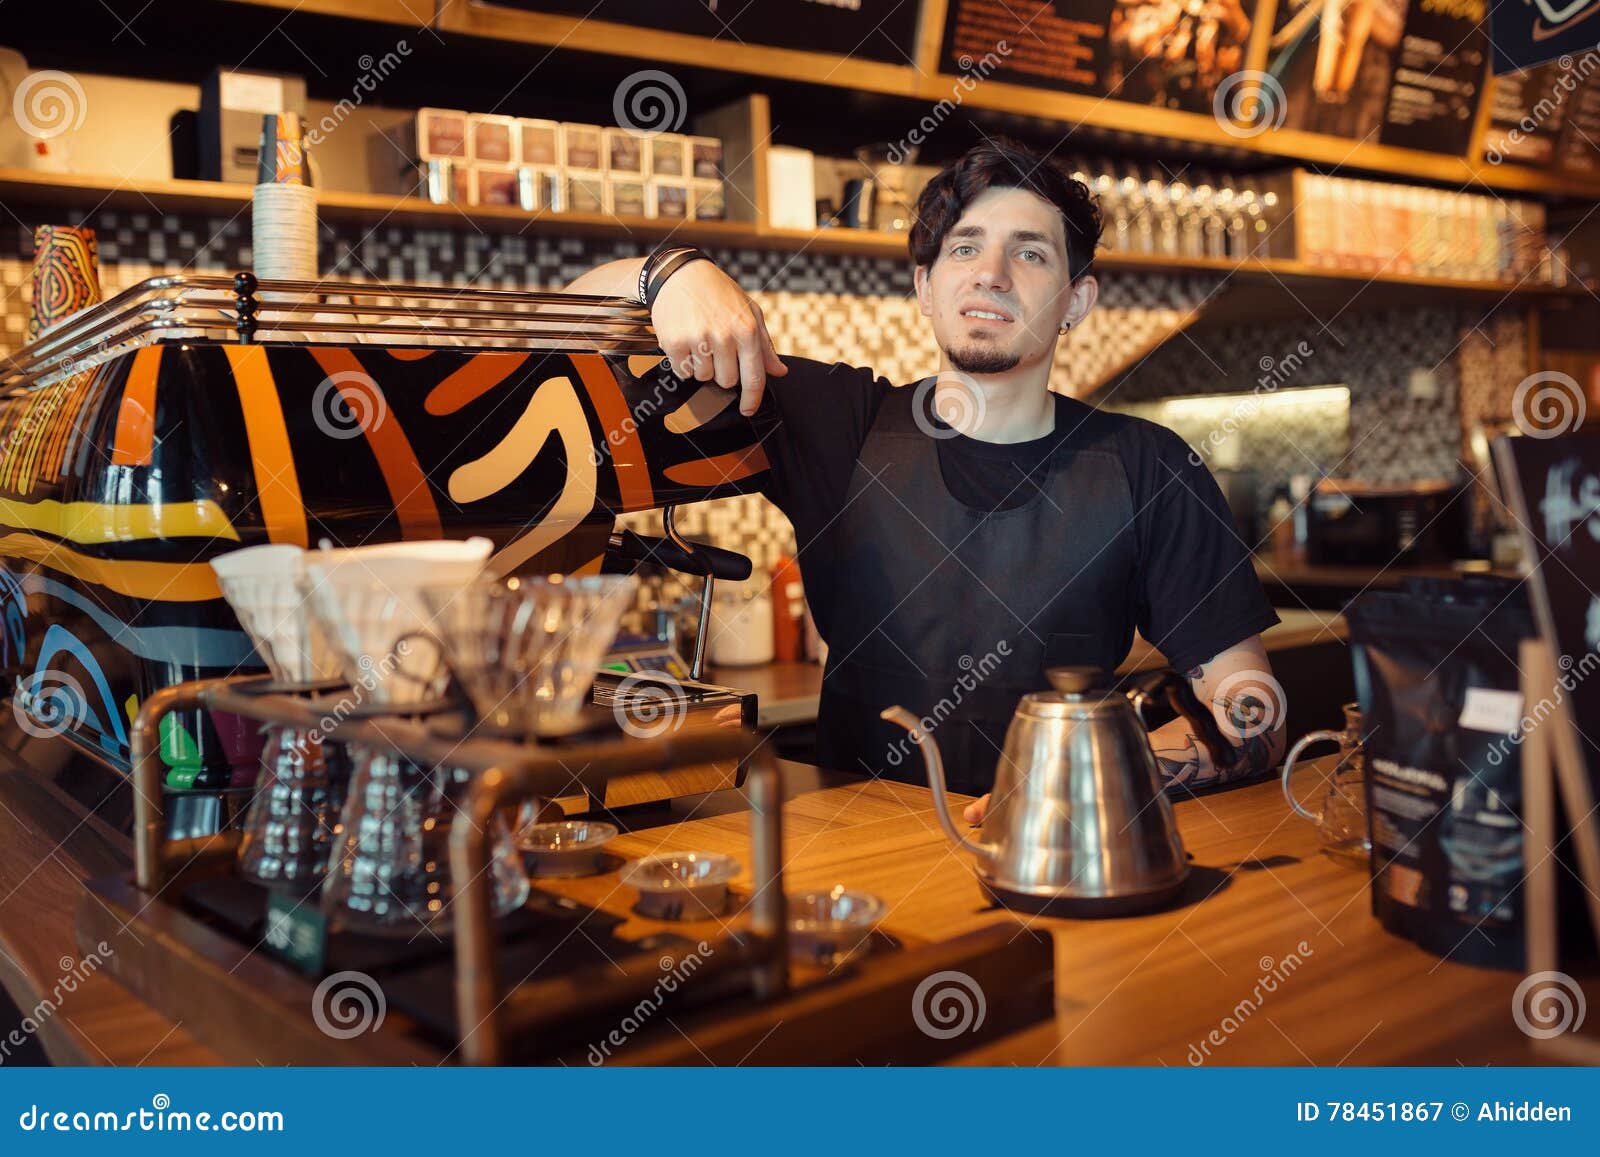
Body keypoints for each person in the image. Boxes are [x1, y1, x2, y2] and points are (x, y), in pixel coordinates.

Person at [567, 137, 1287, 822]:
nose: (991, 273)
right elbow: (548, 343)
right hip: (857, 859)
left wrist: (1079, 782)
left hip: (1064, 857)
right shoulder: (840, 424)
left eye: (1029, 253)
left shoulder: (1148, 466)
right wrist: (672, 276)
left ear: (1076, 301)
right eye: (964, 247)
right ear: (925, 286)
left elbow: (1250, 710)